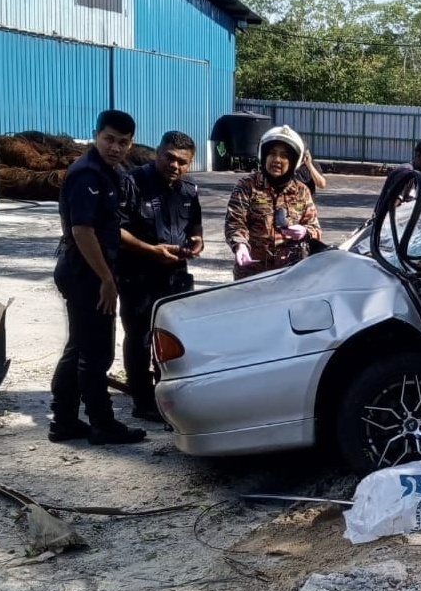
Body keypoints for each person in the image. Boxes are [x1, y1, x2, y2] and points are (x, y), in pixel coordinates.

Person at [49, 109, 147, 445]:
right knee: (95, 352)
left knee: (79, 347)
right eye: (109, 139)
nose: (115, 147)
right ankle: (102, 425)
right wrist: (106, 279)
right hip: (85, 273)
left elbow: (110, 228)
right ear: (96, 135)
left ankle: (63, 420)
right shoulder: (87, 174)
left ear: (130, 144)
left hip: (88, 271)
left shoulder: (110, 172)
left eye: (123, 142)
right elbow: (82, 231)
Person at [118, 130, 204, 421]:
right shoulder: (133, 183)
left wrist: (197, 241)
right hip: (138, 275)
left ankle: (168, 397)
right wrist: (150, 250)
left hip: (175, 276)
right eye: (169, 157)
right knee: (140, 338)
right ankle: (142, 402)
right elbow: (116, 230)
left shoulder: (188, 189)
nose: (175, 165)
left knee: (173, 338)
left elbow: (195, 224)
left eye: (183, 162)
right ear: (158, 152)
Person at [224, 125, 321, 280]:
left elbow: (315, 228)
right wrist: (240, 245)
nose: (277, 160)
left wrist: (305, 232)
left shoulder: (302, 191)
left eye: (284, 156)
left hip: (290, 274)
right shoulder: (247, 185)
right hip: (251, 272)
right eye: (272, 153)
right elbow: (235, 222)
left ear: (293, 161)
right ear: (264, 156)